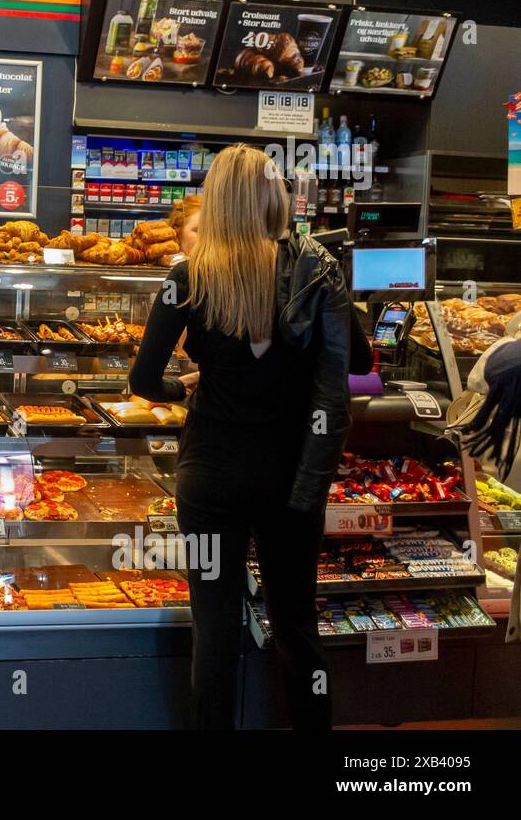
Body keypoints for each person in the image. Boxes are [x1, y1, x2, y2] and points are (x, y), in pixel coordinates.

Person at [128, 144, 373, 730]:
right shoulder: (317, 272)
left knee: (214, 625)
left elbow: (142, 379)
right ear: (275, 195)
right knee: (296, 623)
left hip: (211, 474)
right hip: (293, 475)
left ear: (216, 201)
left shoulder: (187, 276)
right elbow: (359, 361)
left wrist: (184, 389)